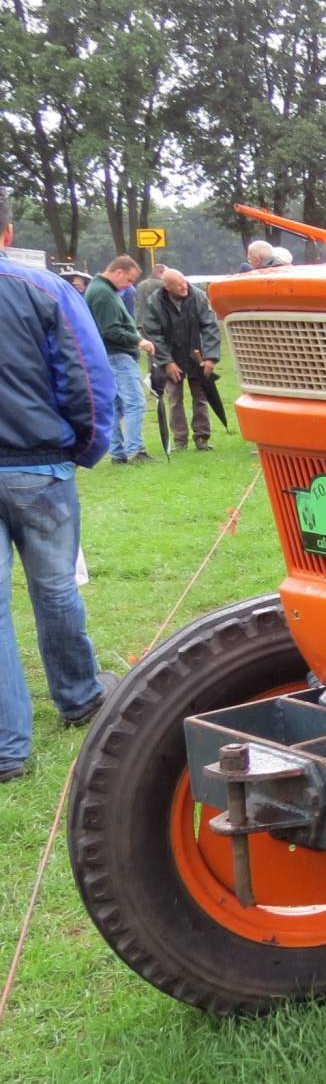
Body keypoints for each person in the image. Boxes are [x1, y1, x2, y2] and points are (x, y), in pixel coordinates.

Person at [0, 193, 117, 781]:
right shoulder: (43, 290)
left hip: (39, 457)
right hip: (38, 463)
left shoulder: (44, 290)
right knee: (55, 590)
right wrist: (85, 446)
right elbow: (87, 378)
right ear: (9, 231)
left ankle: (6, 747)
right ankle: (79, 698)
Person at [139, 265, 221, 452]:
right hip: (170, 355)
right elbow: (153, 333)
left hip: (196, 355)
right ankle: (180, 441)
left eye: (184, 281)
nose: (184, 286)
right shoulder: (155, 302)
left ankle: (202, 438)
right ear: (167, 287)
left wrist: (210, 357)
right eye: (178, 285)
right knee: (175, 399)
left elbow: (210, 326)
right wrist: (167, 362)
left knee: (200, 397)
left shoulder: (198, 296)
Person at [84, 255, 157, 464]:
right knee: (135, 402)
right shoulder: (103, 293)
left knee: (117, 406)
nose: (129, 285)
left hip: (109, 355)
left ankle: (117, 452)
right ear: (119, 272)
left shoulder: (103, 289)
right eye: (129, 280)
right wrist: (138, 341)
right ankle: (135, 451)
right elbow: (111, 330)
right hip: (117, 355)